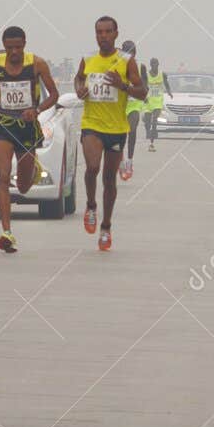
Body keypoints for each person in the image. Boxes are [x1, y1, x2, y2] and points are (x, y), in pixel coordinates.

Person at [0, 25, 59, 254]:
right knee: (3, 176)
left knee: (22, 187)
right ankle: (7, 232)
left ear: (24, 44)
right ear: (4, 46)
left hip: (27, 128)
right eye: (9, 48)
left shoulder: (37, 64)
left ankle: (33, 171)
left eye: (18, 47)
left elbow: (54, 94)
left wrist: (37, 109)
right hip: (3, 125)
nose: (14, 52)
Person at [74, 15, 146, 251]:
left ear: (116, 34)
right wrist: (80, 90)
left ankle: (106, 226)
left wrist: (122, 86)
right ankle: (91, 205)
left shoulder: (127, 61)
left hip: (116, 129)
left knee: (109, 179)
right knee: (92, 167)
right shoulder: (88, 59)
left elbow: (142, 92)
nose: (103, 36)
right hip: (91, 124)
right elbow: (78, 79)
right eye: (99, 32)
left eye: (107, 32)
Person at [120, 39, 145, 178]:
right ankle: (121, 162)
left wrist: (143, 91)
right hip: (120, 105)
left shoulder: (140, 67)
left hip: (134, 104)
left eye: (132, 53)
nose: (130, 56)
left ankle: (129, 161)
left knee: (132, 130)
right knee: (119, 135)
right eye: (127, 53)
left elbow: (145, 85)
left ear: (135, 53)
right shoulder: (117, 65)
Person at [144, 57, 166, 150]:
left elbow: (166, 83)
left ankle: (152, 142)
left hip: (158, 101)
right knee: (147, 122)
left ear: (158, 64)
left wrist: (169, 92)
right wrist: (143, 96)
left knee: (154, 120)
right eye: (152, 63)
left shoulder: (162, 74)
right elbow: (143, 86)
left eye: (156, 63)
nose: (154, 65)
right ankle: (148, 131)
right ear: (150, 65)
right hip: (148, 101)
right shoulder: (146, 75)